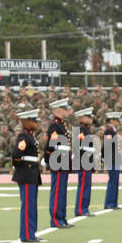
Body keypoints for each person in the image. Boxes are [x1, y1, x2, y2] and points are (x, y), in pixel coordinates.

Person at [11, 107, 43, 242]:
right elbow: (16, 155)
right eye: (34, 121)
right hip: (27, 173)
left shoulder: (29, 136)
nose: (37, 124)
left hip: (31, 172)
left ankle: (31, 232)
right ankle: (26, 234)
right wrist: (21, 169)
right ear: (26, 122)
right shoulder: (24, 137)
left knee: (32, 204)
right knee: (28, 205)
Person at [44, 97, 73, 228]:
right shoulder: (55, 125)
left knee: (62, 190)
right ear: (57, 110)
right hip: (58, 159)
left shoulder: (61, 125)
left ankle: (61, 217)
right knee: (57, 191)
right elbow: (51, 145)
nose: (67, 111)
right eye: (64, 109)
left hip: (63, 159)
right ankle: (56, 219)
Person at [72, 107, 96, 216]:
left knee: (86, 186)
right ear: (82, 118)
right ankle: (81, 209)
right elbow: (79, 148)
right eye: (88, 117)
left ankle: (84, 208)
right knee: (83, 187)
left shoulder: (86, 130)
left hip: (87, 161)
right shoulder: (81, 130)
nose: (91, 119)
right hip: (83, 162)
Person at [101, 111, 122, 209]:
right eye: (117, 120)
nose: (118, 122)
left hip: (115, 158)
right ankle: (109, 203)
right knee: (113, 181)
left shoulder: (112, 130)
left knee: (115, 181)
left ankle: (113, 202)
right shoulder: (109, 131)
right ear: (112, 120)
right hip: (112, 158)